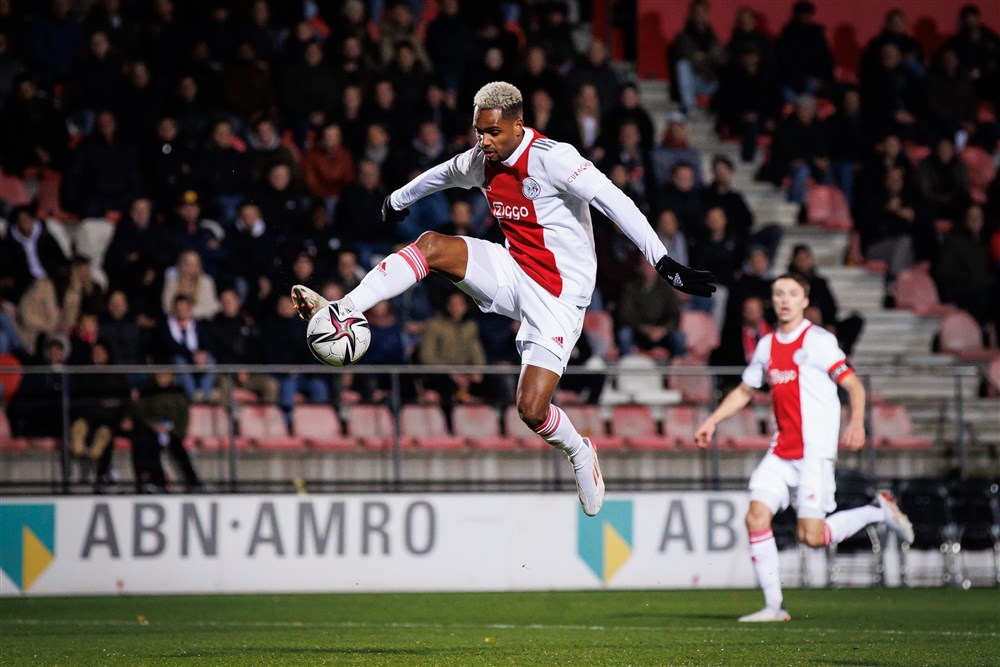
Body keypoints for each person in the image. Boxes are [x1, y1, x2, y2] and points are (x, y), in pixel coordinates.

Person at [291, 81, 716, 516]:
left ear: (518, 125)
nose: (484, 141)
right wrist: (399, 199)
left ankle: (579, 449)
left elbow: (614, 201)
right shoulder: (482, 159)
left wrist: (663, 261)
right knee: (432, 245)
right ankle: (345, 309)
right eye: (479, 131)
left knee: (531, 409)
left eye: (493, 132)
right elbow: (442, 174)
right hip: (512, 269)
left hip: (559, 296)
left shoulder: (554, 159)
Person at [694, 274, 913, 622]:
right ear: (772, 300)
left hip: (814, 454)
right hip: (781, 451)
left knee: (811, 536)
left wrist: (857, 423)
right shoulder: (766, 345)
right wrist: (712, 421)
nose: (785, 300)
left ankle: (877, 511)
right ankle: (774, 606)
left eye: (792, 294)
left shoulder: (819, 342)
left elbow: (854, 386)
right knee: (755, 516)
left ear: (805, 301)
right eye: (779, 293)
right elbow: (746, 390)